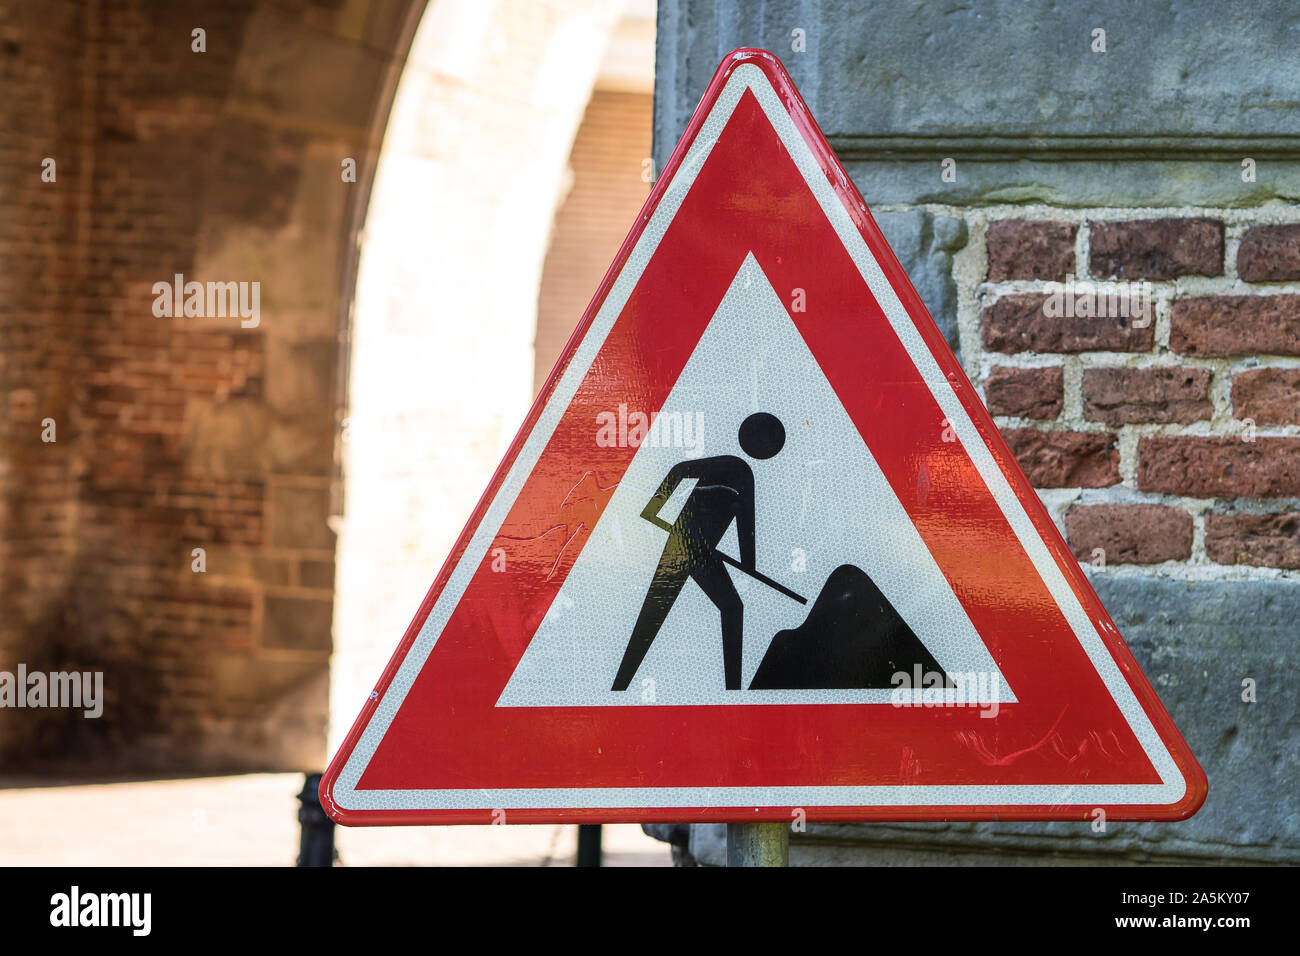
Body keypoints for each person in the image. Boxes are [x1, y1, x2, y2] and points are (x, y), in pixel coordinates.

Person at [611, 412, 785, 692]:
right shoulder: (733, 466)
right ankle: (619, 688)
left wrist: (748, 566)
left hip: (702, 553)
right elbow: (679, 469)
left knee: (731, 607)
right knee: (654, 612)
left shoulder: (745, 476)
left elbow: (746, 528)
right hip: (682, 544)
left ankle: (733, 692)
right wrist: (654, 511)